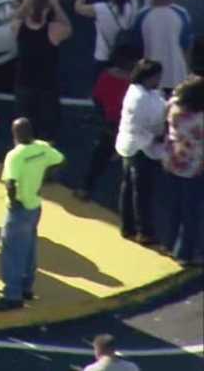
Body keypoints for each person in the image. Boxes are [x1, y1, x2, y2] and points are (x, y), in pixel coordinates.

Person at [0, 118, 65, 311]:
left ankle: (12, 296)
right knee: (29, 249)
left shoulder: (15, 156)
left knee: (11, 252)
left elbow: (10, 183)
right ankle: (26, 288)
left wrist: (15, 203)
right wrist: (43, 179)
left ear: (14, 135)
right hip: (34, 206)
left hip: (19, 209)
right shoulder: (42, 147)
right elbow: (59, 159)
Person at [76, 46, 140, 200]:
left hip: (110, 123)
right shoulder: (134, 82)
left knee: (99, 157)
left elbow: (97, 98)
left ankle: (86, 188)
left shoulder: (106, 76)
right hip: (129, 126)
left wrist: (104, 114)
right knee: (133, 165)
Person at [11, 0, 73, 143]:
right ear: (47, 8)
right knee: (48, 131)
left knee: (25, 128)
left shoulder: (19, 27)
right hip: (47, 86)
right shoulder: (53, 30)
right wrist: (56, 4)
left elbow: (16, 17)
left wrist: (27, 0)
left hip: (24, 84)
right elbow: (68, 28)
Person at [115, 59, 167, 244]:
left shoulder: (137, 92)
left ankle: (127, 227)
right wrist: (158, 137)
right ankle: (144, 232)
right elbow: (148, 124)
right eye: (157, 76)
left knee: (128, 187)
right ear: (148, 77)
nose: (159, 80)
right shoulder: (141, 98)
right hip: (141, 148)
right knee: (141, 192)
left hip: (131, 147)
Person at [162, 76, 203, 265]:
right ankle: (185, 252)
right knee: (191, 210)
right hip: (194, 166)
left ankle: (169, 244)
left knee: (174, 206)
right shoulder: (199, 119)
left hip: (173, 159)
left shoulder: (173, 108)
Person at [134, 0, 194, 93]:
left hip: (150, 77)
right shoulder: (181, 13)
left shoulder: (142, 15)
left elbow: (137, 46)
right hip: (177, 74)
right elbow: (187, 45)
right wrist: (187, 71)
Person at [75, 0, 137, 76]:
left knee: (100, 90)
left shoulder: (101, 9)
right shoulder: (133, 6)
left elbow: (78, 7)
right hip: (125, 61)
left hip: (103, 58)